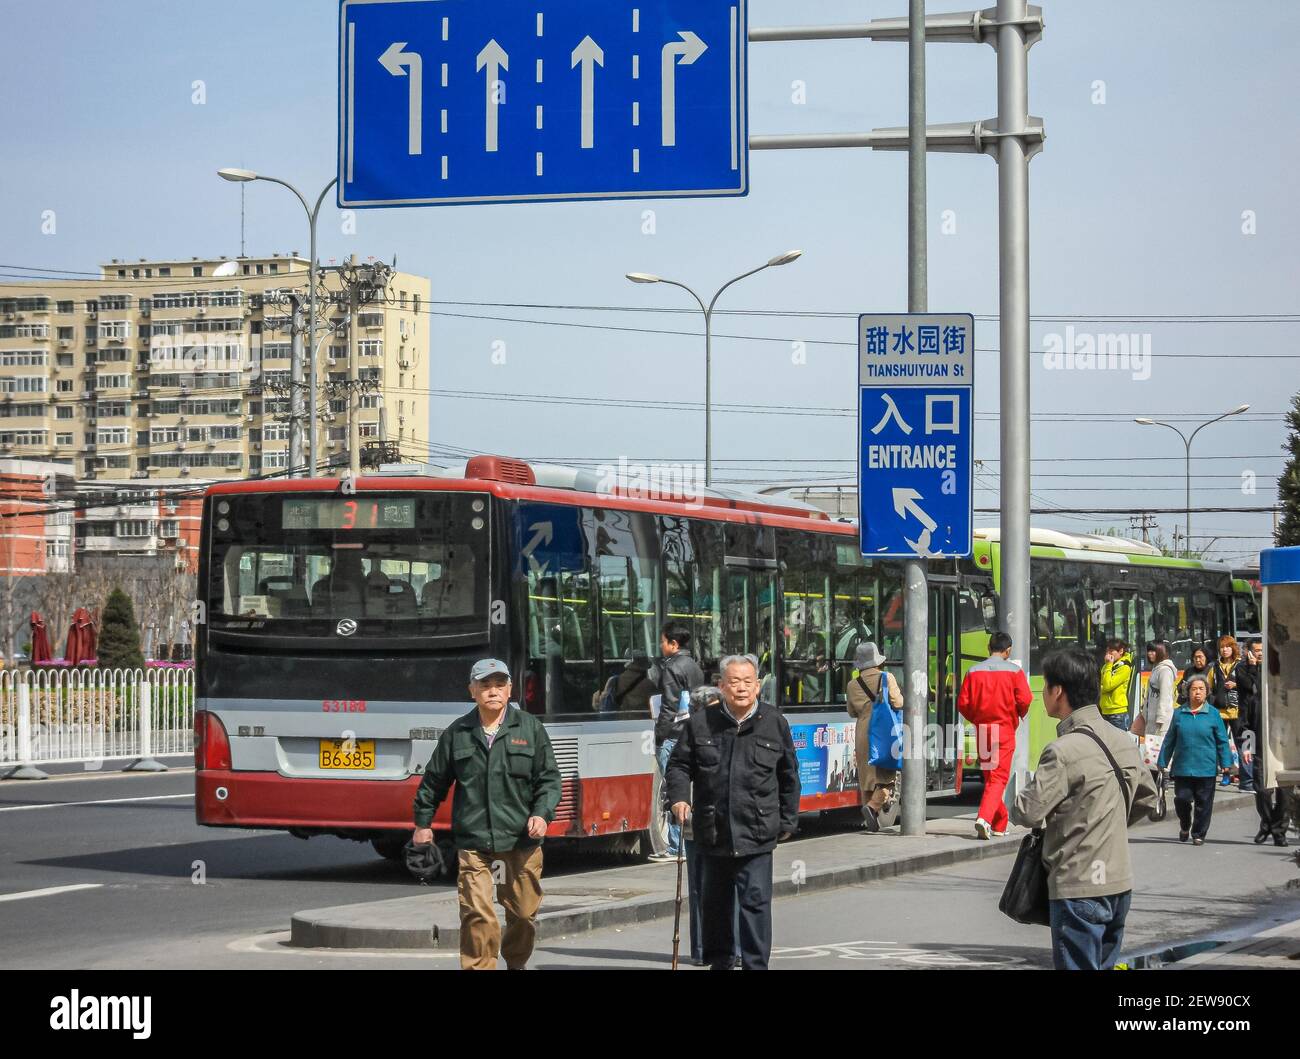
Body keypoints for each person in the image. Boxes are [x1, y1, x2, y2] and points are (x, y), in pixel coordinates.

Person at [1011, 649, 1158, 971]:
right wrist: (1106, 820)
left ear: (1058, 691)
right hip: (1119, 883)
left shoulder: (1062, 751)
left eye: (1046, 686)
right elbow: (1149, 798)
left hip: (1078, 886)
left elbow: (1026, 812)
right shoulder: (1122, 741)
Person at [412, 659, 562, 970]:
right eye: (484, 685)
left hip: (521, 841)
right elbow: (434, 780)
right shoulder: (459, 732)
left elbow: (549, 780)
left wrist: (541, 814)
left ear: (509, 690)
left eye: (498, 685)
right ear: (472, 691)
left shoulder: (531, 729)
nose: (492, 691)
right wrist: (423, 824)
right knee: (478, 914)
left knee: (522, 914)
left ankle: (516, 963)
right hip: (474, 841)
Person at [666, 654, 801, 970]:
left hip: (757, 831)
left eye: (747, 682)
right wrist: (679, 798)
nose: (741, 688)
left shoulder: (773, 722)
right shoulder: (700, 723)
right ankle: (720, 963)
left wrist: (788, 820)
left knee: (755, 905)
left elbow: (788, 775)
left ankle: (755, 965)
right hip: (714, 832)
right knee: (715, 906)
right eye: (734, 682)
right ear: (721, 686)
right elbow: (679, 765)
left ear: (757, 687)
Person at [956, 631, 1033, 840]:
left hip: (983, 730)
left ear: (988, 648)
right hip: (1004, 730)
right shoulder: (1015, 672)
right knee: (998, 779)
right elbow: (1025, 699)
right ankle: (984, 818)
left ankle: (1000, 823)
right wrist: (1017, 714)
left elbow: (963, 704)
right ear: (1008, 651)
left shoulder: (973, 671)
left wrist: (977, 718)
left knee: (991, 778)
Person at [651, 621, 705, 862]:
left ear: (673, 644)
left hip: (673, 735)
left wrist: (659, 735)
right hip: (690, 731)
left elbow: (669, 706)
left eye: (663, 641)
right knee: (686, 787)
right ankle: (684, 844)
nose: (661, 646)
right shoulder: (694, 666)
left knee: (673, 789)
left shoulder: (672, 667)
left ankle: (676, 846)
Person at [1156, 674, 1233, 845]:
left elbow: (1222, 740)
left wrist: (1226, 763)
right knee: (1181, 799)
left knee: (1204, 804)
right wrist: (1162, 761)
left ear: (1207, 692)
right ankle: (1185, 824)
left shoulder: (1213, 714)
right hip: (1183, 767)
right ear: (1188, 692)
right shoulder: (1179, 714)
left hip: (1206, 767)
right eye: (1194, 689)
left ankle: (1198, 833)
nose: (1197, 692)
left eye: (1201, 689)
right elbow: (1170, 740)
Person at [845, 642, 903, 833]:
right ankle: (871, 808)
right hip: (884, 733)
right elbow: (898, 702)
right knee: (887, 778)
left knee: (867, 779)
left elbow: (852, 712)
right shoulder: (887, 678)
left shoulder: (852, 684)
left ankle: (872, 821)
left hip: (862, 733)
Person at [1239, 640, 1288, 845]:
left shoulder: (1280, 668)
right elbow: (1250, 690)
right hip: (1258, 739)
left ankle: (1278, 830)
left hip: (1282, 743)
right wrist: (1246, 745)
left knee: (1284, 790)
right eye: (1256, 651)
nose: (1260, 654)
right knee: (1261, 789)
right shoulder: (1243, 670)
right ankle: (1268, 822)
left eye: (1262, 651)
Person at [1208, 635, 1245, 789]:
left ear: (1233, 648)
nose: (1225, 650)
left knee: (1241, 742)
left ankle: (1244, 774)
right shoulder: (1214, 667)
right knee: (1221, 743)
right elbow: (1208, 687)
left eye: (1228, 646)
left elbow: (1250, 684)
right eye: (1222, 647)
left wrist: (1236, 684)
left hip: (1237, 710)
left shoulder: (1241, 665)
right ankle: (1226, 773)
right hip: (1220, 711)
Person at [1132, 640, 1177, 742]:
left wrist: (1160, 719)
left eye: (1153, 651)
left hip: (1160, 723)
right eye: (1149, 651)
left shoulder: (1165, 671)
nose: (1150, 654)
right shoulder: (1156, 668)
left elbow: (1165, 697)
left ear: (1161, 652)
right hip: (1152, 719)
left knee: (1157, 754)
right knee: (1152, 754)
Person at [1098, 639, 1134, 731]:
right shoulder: (1108, 665)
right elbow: (1100, 683)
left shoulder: (1124, 667)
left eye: (1111, 651)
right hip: (1105, 710)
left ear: (1121, 651)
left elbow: (1107, 685)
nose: (1108, 654)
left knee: (1118, 744)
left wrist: (1109, 665)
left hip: (1117, 713)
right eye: (1107, 651)